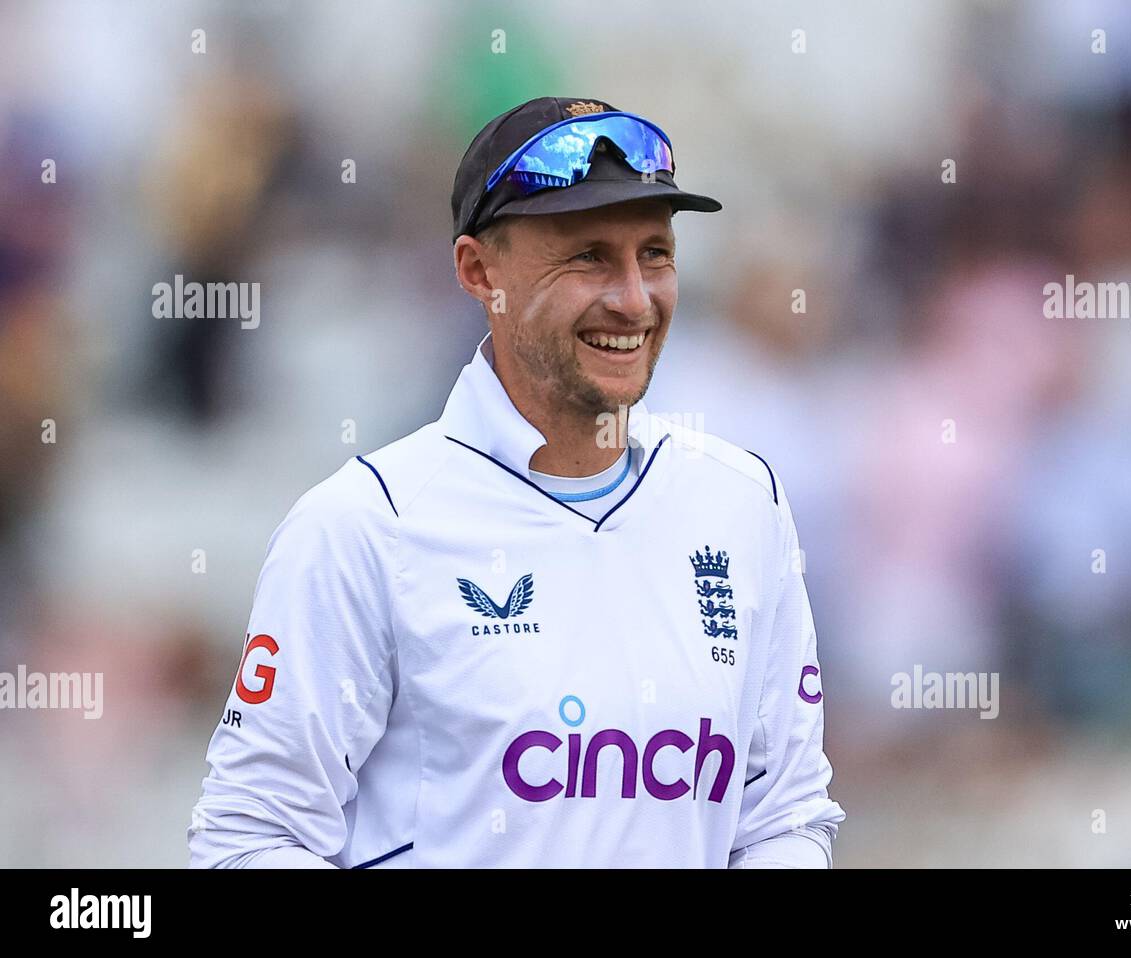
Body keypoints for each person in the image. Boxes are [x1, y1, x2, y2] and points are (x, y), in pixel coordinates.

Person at [188, 96, 845, 867]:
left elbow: (783, 816)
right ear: (478, 271)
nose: (633, 298)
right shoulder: (363, 525)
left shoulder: (741, 501)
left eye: (655, 254)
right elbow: (248, 838)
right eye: (589, 256)